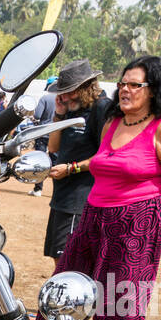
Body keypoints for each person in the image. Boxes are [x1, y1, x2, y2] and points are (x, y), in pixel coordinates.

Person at [54, 55, 161, 320]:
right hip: (95, 213)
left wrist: (151, 212)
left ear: (153, 90)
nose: (125, 90)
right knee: (65, 275)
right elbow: (99, 163)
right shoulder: (113, 122)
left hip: (137, 219)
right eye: (122, 84)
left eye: (134, 85)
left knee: (124, 292)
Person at [42, 61, 109, 261]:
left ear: (85, 88)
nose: (63, 96)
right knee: (58, 258)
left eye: (68, 91)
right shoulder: (72, 107)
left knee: (68, 261)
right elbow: (53, 147)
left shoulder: (101, 108)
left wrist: (70, 169)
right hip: (62, 195)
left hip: (81, 198)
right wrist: (59, 114)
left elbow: (106, 156)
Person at [30, 78, 58, 196]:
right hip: (56, 134)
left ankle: (38, 189)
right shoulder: (63, 99)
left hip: (43, 134)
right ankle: (57, 191)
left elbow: (37, 115)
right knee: (56, 162)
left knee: (40, 161)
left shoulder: (44, 98)